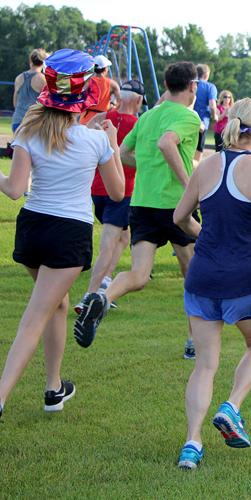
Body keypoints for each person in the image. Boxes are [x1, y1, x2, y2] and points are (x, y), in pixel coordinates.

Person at [0, 49, 124, 420]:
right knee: (36, 315)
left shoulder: (28, 132)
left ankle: (53, 388)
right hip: (68, 234)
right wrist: (113, 143)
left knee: (56, 304)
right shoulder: (96, 140)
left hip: (33, 229)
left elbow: (15, 189)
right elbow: (117, 193)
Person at [172, 98, 251, 470]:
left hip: (203, 275)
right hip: (245, 278)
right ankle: (232, 406)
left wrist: (205, 232)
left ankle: (192, 442)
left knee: (205, 365)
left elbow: (180, 217)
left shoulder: (205, 166)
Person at [74, 62, 202, 358]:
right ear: (192, 87)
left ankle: (101, 298)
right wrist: (188, 186)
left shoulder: (148, 117)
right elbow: (167, 143)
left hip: (142, 203)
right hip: (174, 205)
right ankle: (194, 341)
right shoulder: (188, 117)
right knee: (193, 274)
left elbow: (122, 152)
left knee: (139, 274)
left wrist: (148, 165)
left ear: (168, 85)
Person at [74, 81, 146, 313]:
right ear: (137, 101)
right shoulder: (139, 124)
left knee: (123, 239)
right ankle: (89, 295)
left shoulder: (101, 118)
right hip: (122, 192)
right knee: (108, 245)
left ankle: (105, 280)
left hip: (97, 189)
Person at [11, 48, 47, 134]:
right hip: (33, 123)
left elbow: (15, 103)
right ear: (43, 62)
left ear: (30, 60)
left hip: (17, 122)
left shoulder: (19, 78)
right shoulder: (44, 80)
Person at [79, 55, 121, 125]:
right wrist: (113, 107)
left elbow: (79, 98)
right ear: (105, 69)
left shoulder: (87, 82)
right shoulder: (113, 84)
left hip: (86, 120)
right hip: (103, 120)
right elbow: (120, 101)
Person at [193, 64, 219, 163]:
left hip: (187, 120)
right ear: (206, 74)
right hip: (202, 123)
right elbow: (212, 105)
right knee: (198, 152)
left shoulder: (191, 84)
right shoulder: (210, 87)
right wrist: (214, 116)